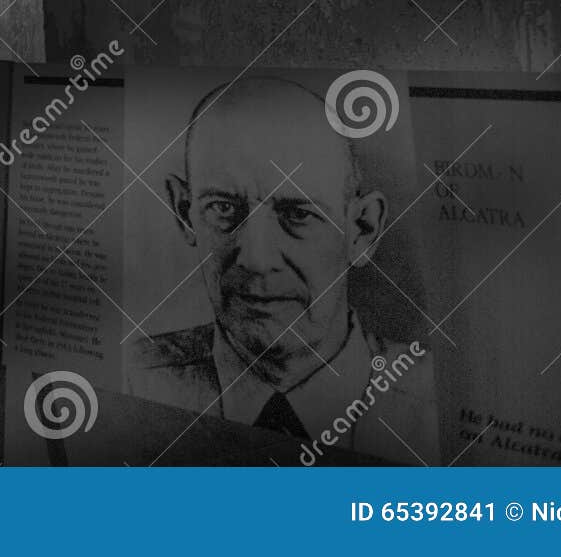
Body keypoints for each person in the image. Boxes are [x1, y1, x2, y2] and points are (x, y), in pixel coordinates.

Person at [129, 76, 437, 463]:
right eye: (223, 208)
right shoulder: (130, 378)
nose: (256, 260)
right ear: (185, 213)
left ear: (362, 231)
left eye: (297, 215)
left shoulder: (436, 402)